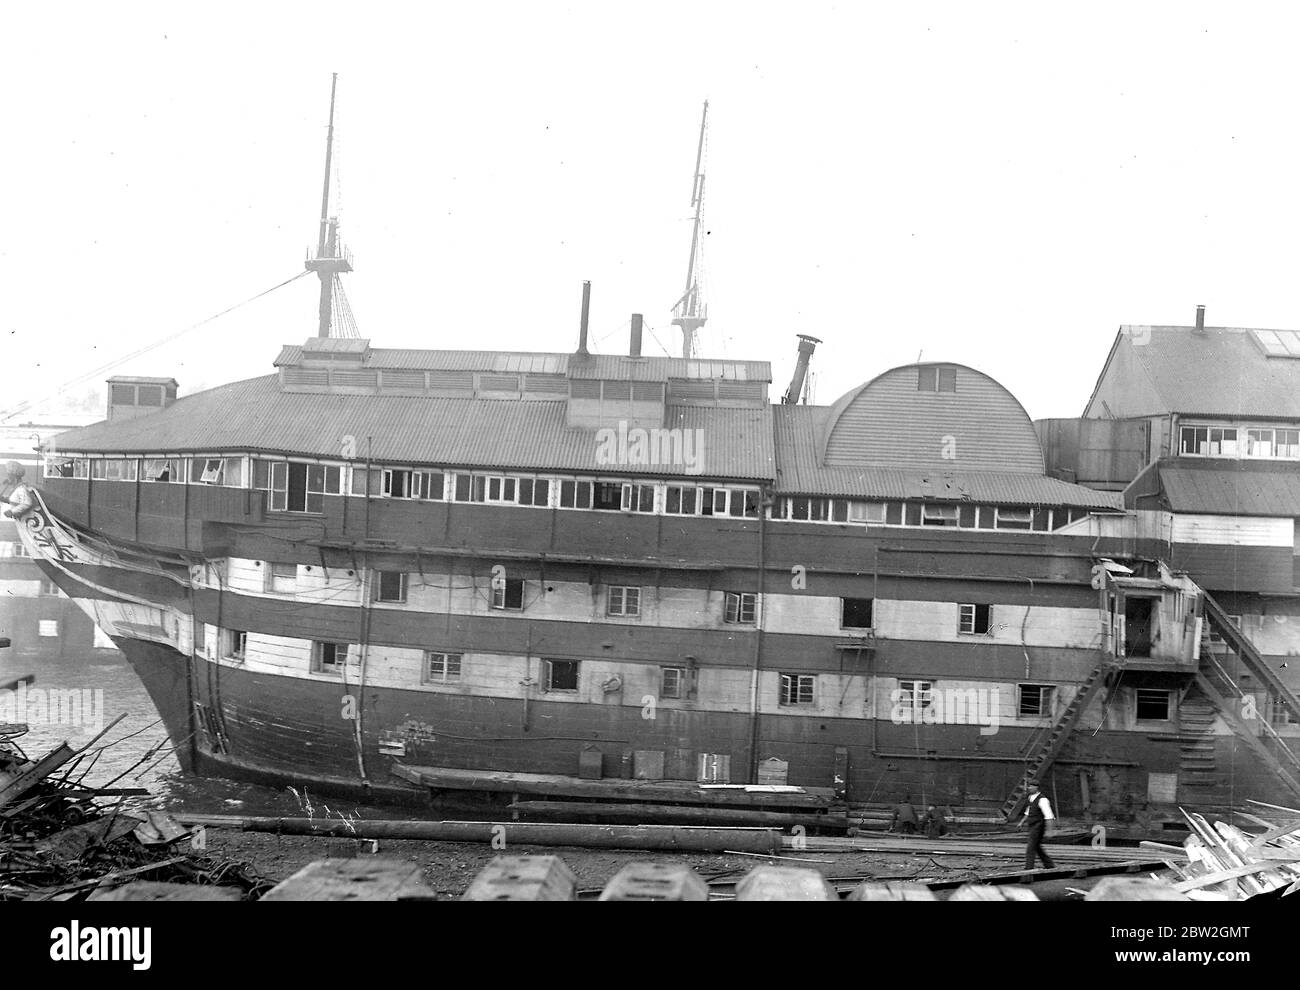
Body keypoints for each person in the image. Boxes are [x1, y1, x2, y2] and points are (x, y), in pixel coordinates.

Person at [1019, 780, 1056, 871]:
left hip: (1039, 826)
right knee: (1037, 846)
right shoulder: (1031, 797)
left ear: (1036, 787)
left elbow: (1049, 816)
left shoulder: (1043, 800)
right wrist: (1022, 822)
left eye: (1031, 786)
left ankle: (1028, 868)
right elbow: (1029, 811)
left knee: (1031, 846)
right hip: (1032, 825)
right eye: (1029, 786)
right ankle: (1049, 865)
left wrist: (1049, 831)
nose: (1029, 788)